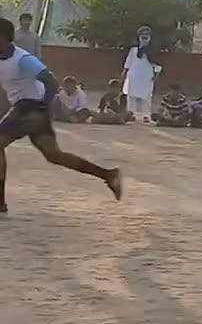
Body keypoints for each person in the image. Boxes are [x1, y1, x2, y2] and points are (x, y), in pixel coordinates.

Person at [0, 18, 122, 212]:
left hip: (31, 107)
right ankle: (108, 174)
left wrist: (41, 108)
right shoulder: (3, 58)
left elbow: (52, 83)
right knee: (54, 155)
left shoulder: (24, 60)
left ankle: (0, 202)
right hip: (24, 108)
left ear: (4, 38)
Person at [123, 25, 158, 123]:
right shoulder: (134, 50)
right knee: (131, 95)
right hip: (134, 76)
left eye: (147, 35)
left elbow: (157, 63)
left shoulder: (153, 51)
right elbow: (128, 63)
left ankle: (146, 115)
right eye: (143, 35)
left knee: (147, 96)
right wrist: (124, 73)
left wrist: (156, 75)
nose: (144, 37)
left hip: (147, 77)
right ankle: (130, 114)